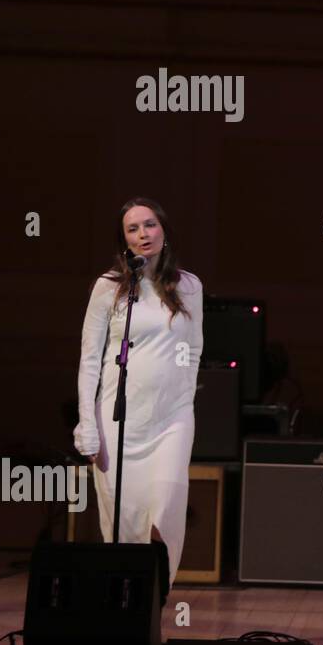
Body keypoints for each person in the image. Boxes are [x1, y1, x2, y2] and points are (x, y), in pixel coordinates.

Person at [72, 197, 204, 587]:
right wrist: (87, 425)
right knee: (124, 522)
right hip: (118, 420)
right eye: (133, 229)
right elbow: (90, 359)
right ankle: (124, 611)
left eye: (149, 225)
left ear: (163, 230)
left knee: (165, 511)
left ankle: (153, 606)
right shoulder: (110, 287)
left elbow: (194, 349)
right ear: (124, 240)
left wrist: (183, 400)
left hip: (171, 420)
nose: (143, 234)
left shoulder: (189, 286)